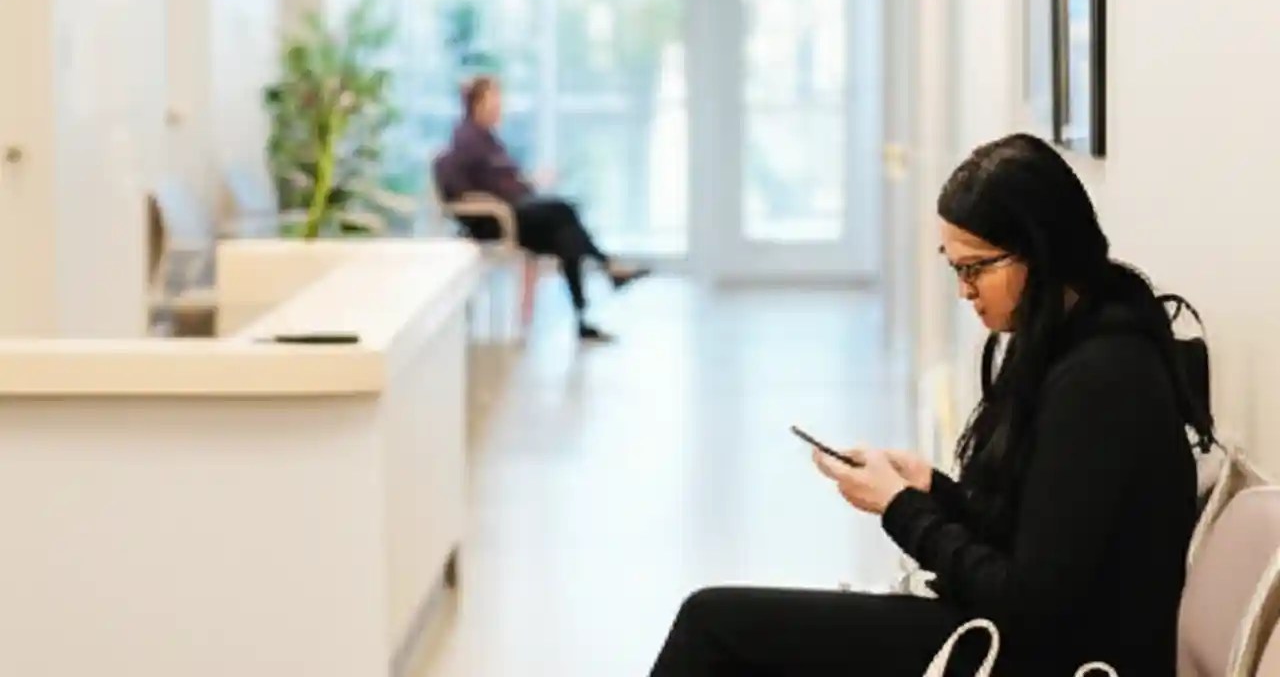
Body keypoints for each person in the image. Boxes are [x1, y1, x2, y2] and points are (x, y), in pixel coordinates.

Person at [649, 133, 1212, 675]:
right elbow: (1036, 536)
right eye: (954, 268)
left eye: (976, 268)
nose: (964, 290)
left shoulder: (1100, 381)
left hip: (1047, 658)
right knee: (726, 627)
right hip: (1022, 640)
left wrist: (900, 509)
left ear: (1043, 251)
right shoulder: (1068, 341)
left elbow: (1029, 603)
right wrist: (933, 491)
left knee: (712, 624)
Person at [440, 75, 650, 341]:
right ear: (477, 103)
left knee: (568, 240)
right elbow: (463, 190)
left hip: (514, 213)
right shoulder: (468, 139)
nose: (499, 105)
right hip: (497, 220)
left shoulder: (487, 139)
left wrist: (527, 183)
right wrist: (520, 187)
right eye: (494, 99)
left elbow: (504, 181)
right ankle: (607, 268)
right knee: (564, 209)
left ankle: (584, 320)